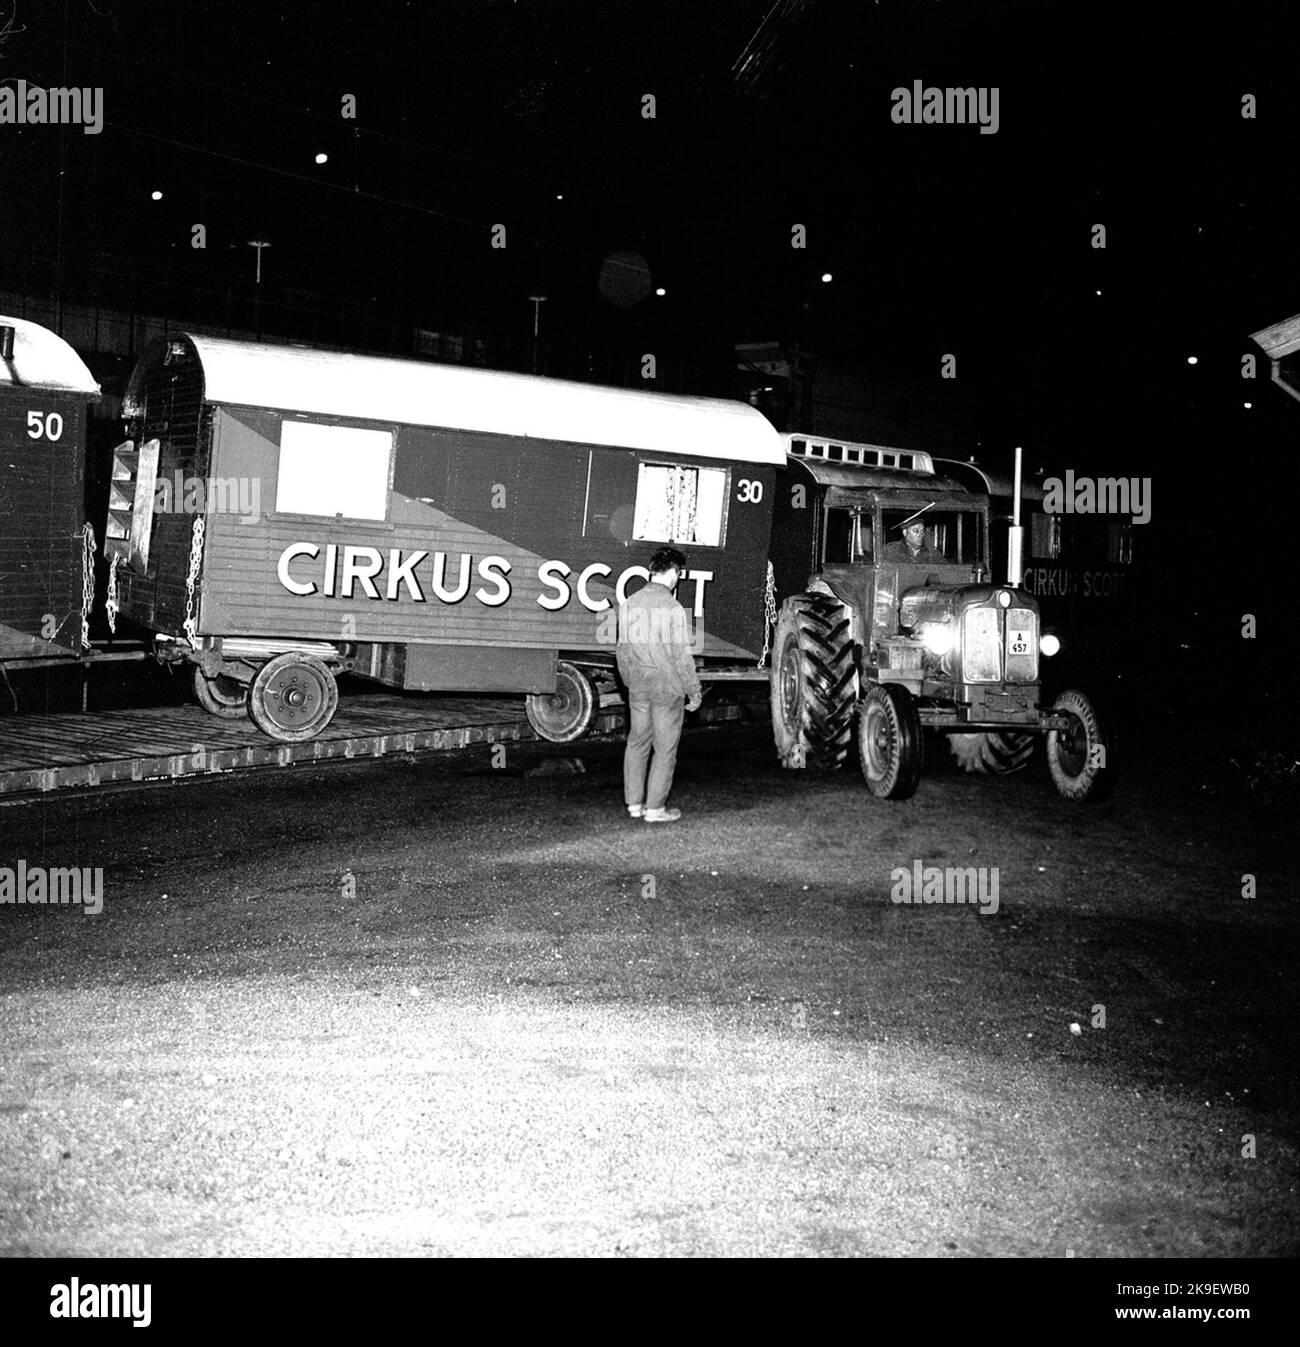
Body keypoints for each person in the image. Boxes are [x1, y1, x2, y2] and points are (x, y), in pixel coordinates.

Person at [617, 546, 703, 823]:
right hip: (667, 688)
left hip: (639, 684)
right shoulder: (673, 607)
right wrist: (694, 690)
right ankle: (655, 809)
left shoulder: (630, 602)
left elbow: (622, 650)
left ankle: (634, 804)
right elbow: (681, 656)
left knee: (637, 742)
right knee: (664, 749)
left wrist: (630, 681)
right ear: (674, 574)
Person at [881, 506, 946, 563]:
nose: (920, 535)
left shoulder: (933, 553)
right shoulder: (892, 552)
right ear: (905, 533)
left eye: (922, 531)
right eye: (916, 531)